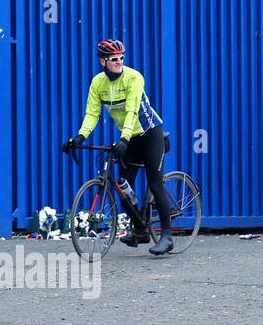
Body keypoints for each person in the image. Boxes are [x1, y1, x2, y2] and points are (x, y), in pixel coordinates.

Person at [61, 38, 179, 255]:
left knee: (154, 182)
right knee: (124, 185)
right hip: (129, 137)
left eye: (121, 58)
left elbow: (133, 110)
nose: (118, 62)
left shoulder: (134, 77)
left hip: (149, 133)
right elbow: (92, 114)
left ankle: (167, 236)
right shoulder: (98, 83)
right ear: (102, 61)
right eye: (113, 59)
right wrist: (79, 136)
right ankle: (140, 231)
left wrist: (123, 139)